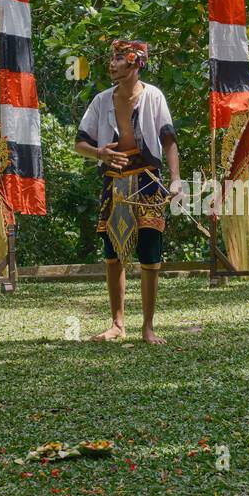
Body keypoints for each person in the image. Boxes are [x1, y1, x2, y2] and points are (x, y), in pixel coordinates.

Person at [75, 39, 182, 344]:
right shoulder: (100, 100)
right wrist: (101, 154)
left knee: (150, 251)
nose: (112, 63)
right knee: (114, 254)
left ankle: (148, 326)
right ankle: (117, 324)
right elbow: (80, 143)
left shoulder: (154, 96)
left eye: (119, 59)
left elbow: (169, 139)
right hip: (115, 180)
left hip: (148, 181)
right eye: (112, 58)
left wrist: (175, 179)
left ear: (136, 64)